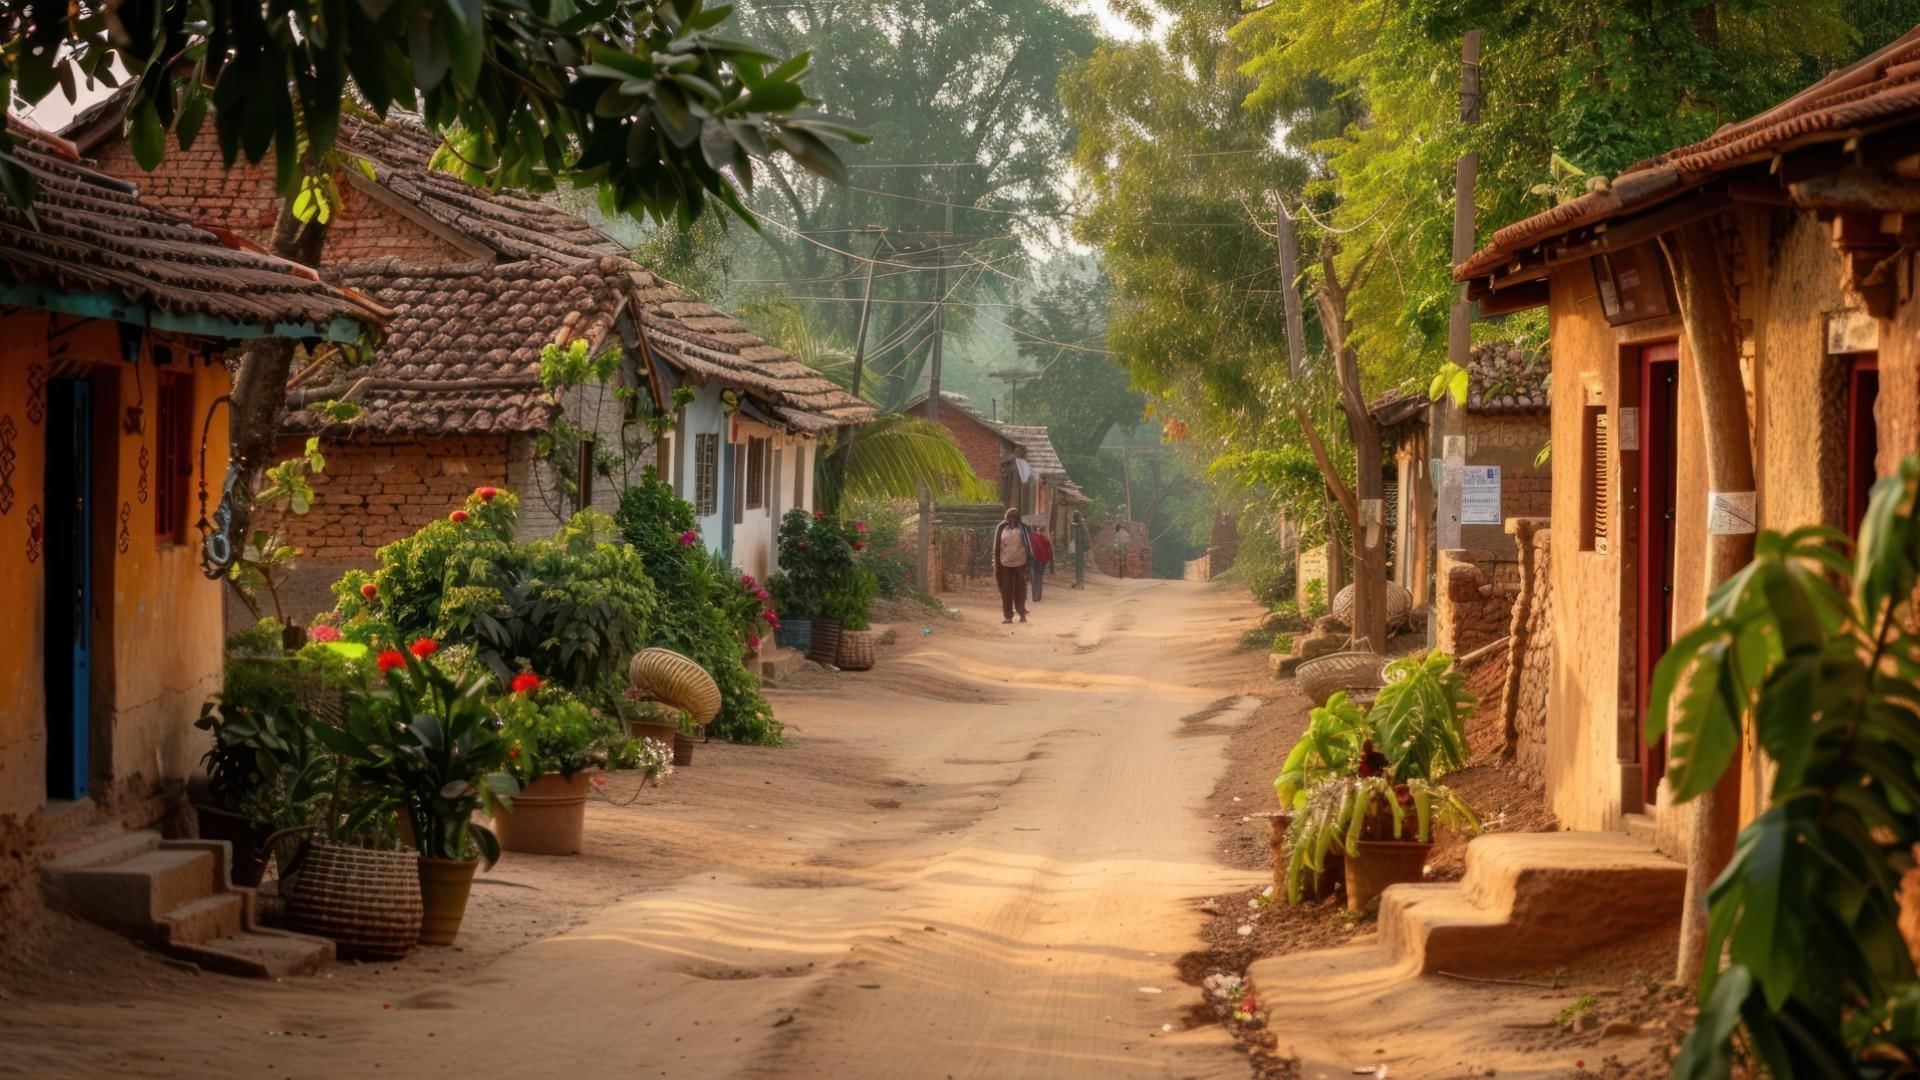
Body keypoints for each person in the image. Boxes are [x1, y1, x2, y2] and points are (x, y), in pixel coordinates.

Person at [993, 506, 1033, 624]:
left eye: (1012, 519)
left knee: (1014, 591)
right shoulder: (1004, 527)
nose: (1011, 522)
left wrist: (1028, 566)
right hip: (1010, 564)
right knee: (1013, 590)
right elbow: (996, 547)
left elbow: (1029, 547)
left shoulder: (1021, 528)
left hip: (1014, 564)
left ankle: (1015, 615)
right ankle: (1015, 615)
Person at [1029, 525, 1054, 603]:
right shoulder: (1044, 538)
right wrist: (1047, 560)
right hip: (1041, 561)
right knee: (1039, 577)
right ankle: (1037, 596)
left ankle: (1035, 596)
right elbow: (1049, 551)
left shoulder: (1031, 537)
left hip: (1034, 560)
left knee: (1034, 578)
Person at [1070, 511, 1090, 589]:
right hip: (1079, 546)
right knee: (1079, 565)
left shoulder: (1080, 524)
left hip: (1080, 546)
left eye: (1074, 517)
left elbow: (1085, 534)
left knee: (1079, 565)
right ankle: (1080, 582)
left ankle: (1079, 583)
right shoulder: (1081, 524)